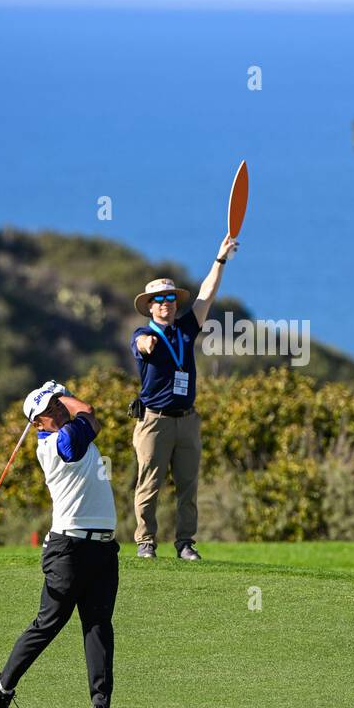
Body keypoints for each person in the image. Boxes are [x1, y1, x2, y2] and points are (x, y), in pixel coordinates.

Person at [0, 380, 119, 708]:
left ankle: (100, 707)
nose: (59, 412)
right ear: (39, 425)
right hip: (68, 550)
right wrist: (62, 394)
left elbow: (91, 419)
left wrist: (56, 397)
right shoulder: (59, 444)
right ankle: (4, 687)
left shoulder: (70, 434)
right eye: (50, 412)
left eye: (58, 408)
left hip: (102, 548)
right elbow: (88, 412)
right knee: (50, 623)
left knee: (98, 625)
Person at [129, 235, 239, 560]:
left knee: (188, 487)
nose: (166, 303)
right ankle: (146, 543)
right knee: (149, 485)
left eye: (170, 298)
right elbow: (141, 346)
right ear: (150, 306)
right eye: (159, 299)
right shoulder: (142, 333)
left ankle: (185, 543)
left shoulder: (186, 329)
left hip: (187, 419)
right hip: (154, 421)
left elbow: (206, 294)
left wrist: (219, 260)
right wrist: (147, 345)